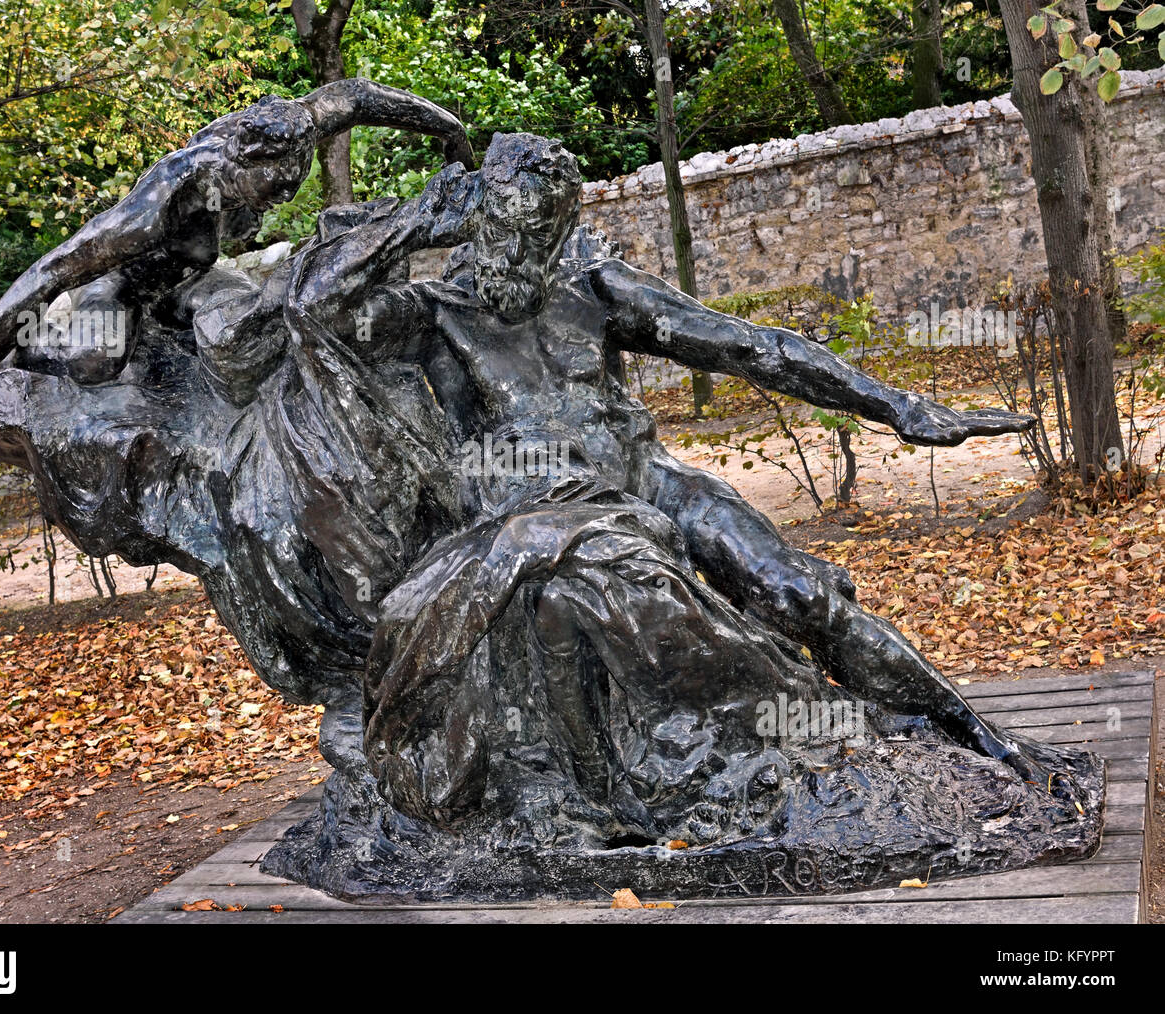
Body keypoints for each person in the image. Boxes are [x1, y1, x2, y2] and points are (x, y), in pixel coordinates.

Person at [285, 132, 1072, 793]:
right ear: (476, 220)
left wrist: (896, 407)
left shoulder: (593, 292)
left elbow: (750, 346)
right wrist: (417, 220)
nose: (516, 251)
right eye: (503, 228)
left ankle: (972, 737)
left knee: (799, 593)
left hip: (652, 483)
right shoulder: (430, 318)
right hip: (553, 518)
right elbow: (314, 308)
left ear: (560, 231)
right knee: (662, 632)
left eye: (538, 233)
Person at [0, 79, 474, 391]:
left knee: (253, 325)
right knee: (97, 365)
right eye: (269, 191)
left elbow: (372, 97)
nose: (280, 199)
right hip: (123, 288)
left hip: (193, 277)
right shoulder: (159, 204)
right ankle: (37, 353)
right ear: (235, 166)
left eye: (291, 186)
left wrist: (454, 137)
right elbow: (55, 268)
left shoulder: (302, 119)